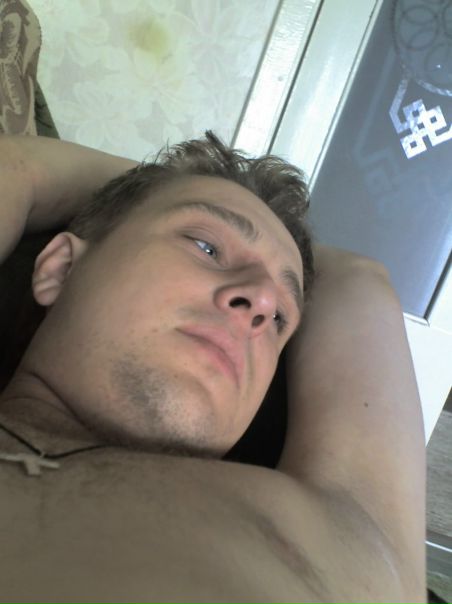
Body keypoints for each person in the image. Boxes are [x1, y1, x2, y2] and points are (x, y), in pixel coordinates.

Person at [0, 2, 427, 603]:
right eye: (206, 245)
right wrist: (157, 185)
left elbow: (360, 277)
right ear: (61, 267)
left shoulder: (354, 539)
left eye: (281, 317)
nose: (261, 301)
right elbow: (16, 162)